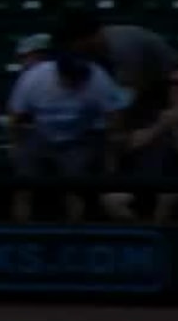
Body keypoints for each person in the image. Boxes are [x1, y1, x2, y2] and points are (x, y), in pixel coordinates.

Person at [7, 52, 128, 222]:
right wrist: (14, 144)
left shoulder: (97, 78)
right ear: (59, 73)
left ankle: (75, 236)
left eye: (80, 77)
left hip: (78, 137)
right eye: (71, 78)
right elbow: (15, 116)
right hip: (41, 133)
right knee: (23, 187)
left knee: (74, 189)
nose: (76, 83)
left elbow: (115, 115)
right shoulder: (34, 78)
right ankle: (19, 233)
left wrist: (112, 148)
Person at [102, 63, 178, 224]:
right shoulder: (152, 113)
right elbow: (130, 145)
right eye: (172, 83)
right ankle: (141, 233)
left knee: (167, 199)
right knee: (111, 200)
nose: (176, 88)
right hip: (141, 180)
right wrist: (161, 125)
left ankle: (158, 236)